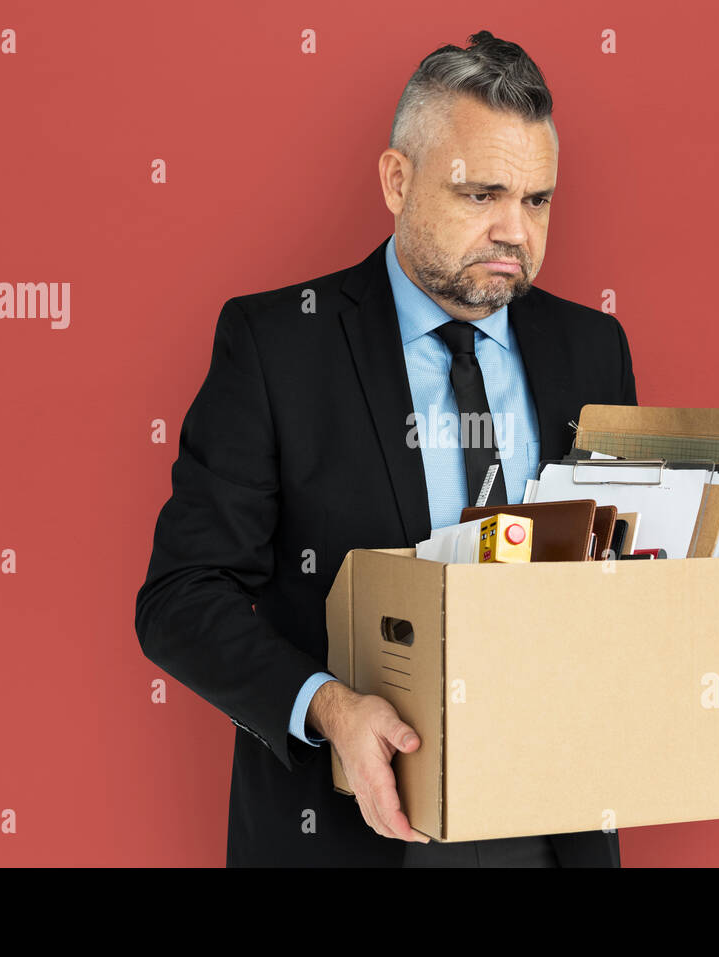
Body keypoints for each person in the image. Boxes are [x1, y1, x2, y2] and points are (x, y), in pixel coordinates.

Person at [135, 30, 638, 867]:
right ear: (397, 181)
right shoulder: (275, 347)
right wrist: (330, 709)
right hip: (349, 829)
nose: (515, 231)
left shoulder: (594, 349)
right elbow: (182, 597)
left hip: (556, 827)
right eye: (483, 194)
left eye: (538, 200)